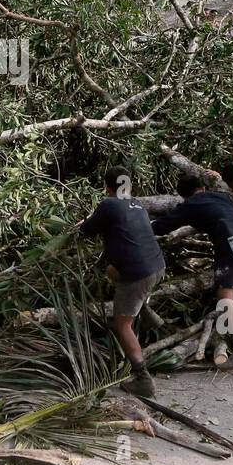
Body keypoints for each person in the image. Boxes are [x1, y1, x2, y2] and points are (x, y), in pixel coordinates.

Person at [151, 173, 233, 369]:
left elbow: (164, 225)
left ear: (185, 196)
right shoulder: (219, 197)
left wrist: (142, 228)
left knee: (226, 295)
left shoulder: (190, 204)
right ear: (202, 188)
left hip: (231, 239)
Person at [79, 166, 167, 397]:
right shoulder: (137, 204)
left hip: (139, 273)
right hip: (157, 266)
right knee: (111, 271)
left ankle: (142, 378)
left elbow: (86, 230)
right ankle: (144, 310)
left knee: (122, 324)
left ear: (107, 187)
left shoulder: (109, 204)